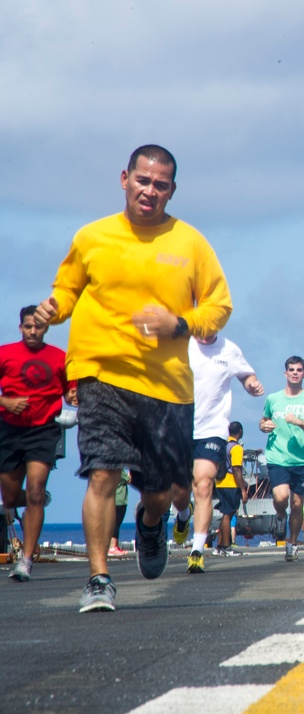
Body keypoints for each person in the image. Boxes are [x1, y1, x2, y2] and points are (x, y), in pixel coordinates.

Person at [34, 145, 233, 612]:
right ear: (124, 178)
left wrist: (178, 324)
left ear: (172, 190)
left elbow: (219, 306)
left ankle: (149, 522)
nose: (150, 191)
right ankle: (99, 579)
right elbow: (67, 288)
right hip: (100, 372)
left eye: (160, 184)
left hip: (166, 385)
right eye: (143, 180)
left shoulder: (190, 243)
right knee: (102, 473)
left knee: (163, 492)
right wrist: (53, 310)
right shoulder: (92, 237)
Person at [1, 305, 77, 581]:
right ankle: (39, 500)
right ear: (20, 327)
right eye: (28, 326)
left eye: (39, 327)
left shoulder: (59, 358)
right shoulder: (4, 353)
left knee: (34, 489)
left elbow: (70, 391)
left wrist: (74, 396)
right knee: (9, 498)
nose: (34, 331)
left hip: (44, 430)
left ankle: (26, 560)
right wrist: (5, 401)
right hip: (9, 430)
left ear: (46, 328)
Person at [180, 331, 263, 573]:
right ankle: (184, 514)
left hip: (212, 429)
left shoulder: (230, 349)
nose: (207, 331)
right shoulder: (179, 344)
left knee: (203, 484)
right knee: (179, 490)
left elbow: (246, 374)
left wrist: (251, 384)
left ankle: (197, 551)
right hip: (180, 426)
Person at [260, 356, 304, 562]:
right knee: (280, 498)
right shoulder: (273, 398)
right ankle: (280, 516)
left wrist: (299, 422)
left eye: (298, 370)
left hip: (302, 460)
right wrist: (263, 426)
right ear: (285, 373)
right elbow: (264, 420)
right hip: (277, 457)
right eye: (291, 369)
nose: (295, 372)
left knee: (297, 504)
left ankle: (293, 543)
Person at [212, 421, 249, 559]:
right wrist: (243, 489)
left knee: (225, 514)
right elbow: (236, 469)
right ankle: (227, 547)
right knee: (228, 514)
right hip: (230, 483)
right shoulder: (237, 448)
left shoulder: (223, 445)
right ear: (240, 431)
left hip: (220, 482)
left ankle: (220, 546)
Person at [108, 470, 131, 556]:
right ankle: (112, 547)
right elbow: (129, 480)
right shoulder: (119, 469)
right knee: (116, 524)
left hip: (113, 499)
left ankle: (115, 546)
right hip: (119, 501)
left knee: (115, 524)